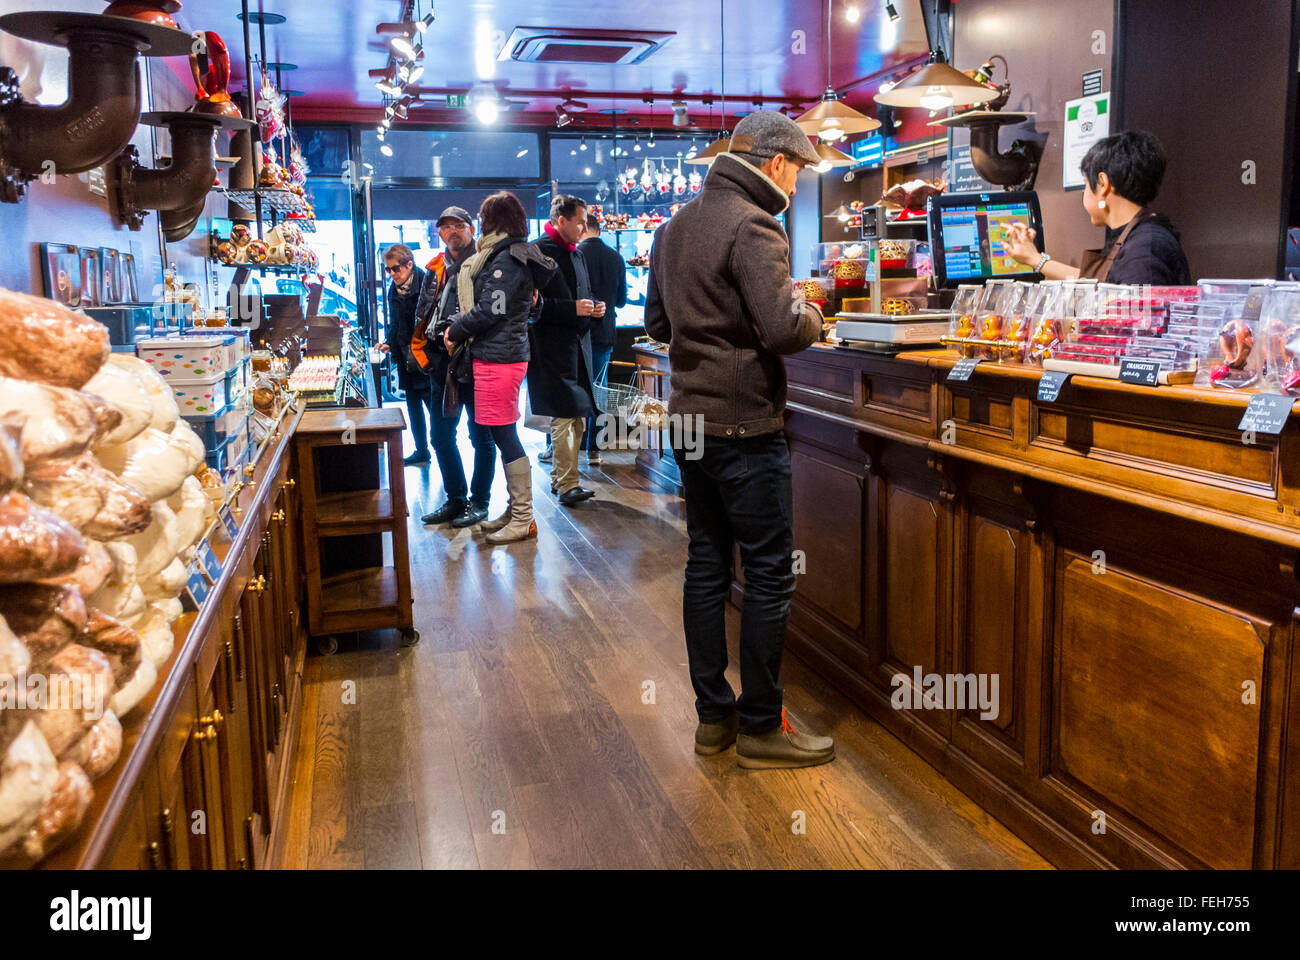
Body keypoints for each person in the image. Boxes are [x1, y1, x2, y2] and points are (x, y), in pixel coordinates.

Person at [643, 110, 832, 770]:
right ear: (777, 164)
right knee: (770, 573)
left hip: (690, 420)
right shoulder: (756, 223)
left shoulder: (675, 227)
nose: (801, 183)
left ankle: (713, 721)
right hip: (745, 424)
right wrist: (813, 311)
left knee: (706, 565)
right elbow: (783, 329)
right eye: (801, 171)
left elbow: (657, 322)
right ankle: (760, 726)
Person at [443, 192, 557, 543]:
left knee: (505, 435)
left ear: (495, 220)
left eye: (482, 215)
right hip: (502, 354)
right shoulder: (508, 255)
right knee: (501, 434)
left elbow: (490, 310)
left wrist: (454, 329)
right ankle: (516, 511)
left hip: (499, 357)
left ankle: (522, 516)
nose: (479, 221)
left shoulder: (506, 259)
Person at [1006, 130, 1191, 285]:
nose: (1084, 193)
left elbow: (1137, 322)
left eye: (1086, 184)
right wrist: (1034, 259)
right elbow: (1097, 284)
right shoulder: (1139, 236)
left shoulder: (1145, 248)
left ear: (1102, 184)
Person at [414, 207, 497, 528]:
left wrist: (457, 331)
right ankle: (456, 498)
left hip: (477, 362)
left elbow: (490, 311)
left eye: (458, 225)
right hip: (441, 364)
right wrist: (424, 354)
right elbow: (424, 313)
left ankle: (480, 501)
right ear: (439, 233)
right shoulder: (436, 268)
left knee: (481, 437)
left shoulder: (486, 264)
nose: (452, 231)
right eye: (445, 226)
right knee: (441, 437)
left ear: (471, 227)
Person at [532, 194, 603, 506]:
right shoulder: (537, 252)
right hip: (550, 349)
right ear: (562, 221)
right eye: (581, 222)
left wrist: (594, 308)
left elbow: (584, 294)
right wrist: (573, 308)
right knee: (564, 417)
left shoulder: (578, 254)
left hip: (579, 347)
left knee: (578, 418)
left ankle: (562, 481)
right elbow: (530, 307)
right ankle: (567, 485)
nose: (585, 228)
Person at [578, 213, 627, 466]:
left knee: (572, 390)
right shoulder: (615, 257)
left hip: (578, 333)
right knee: (599, 392)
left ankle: (561, 448)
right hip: (605, 332)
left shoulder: (575, 255)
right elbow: (621, 300)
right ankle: (594, 449)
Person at [378, 244, 434, 466]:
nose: (392, 274)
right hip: (404, 357)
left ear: (409, 264)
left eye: (395, 269)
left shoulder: (427, 284)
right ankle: (422, 451)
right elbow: (395, 322)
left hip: (424, 357)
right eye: (388, 270)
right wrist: (389, 343)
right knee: (413, 407)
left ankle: (443, 450)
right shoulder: (394, 289)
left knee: (435, 411)